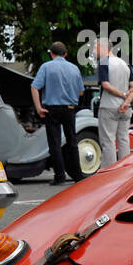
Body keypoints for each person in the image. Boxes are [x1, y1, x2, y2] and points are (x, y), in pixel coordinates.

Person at [31, 42, 86, 184]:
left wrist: (38, 107)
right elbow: (80, 91)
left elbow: (34, 87)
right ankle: (77, 175)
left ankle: (60, 176)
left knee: (54, 143)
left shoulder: (46, 67)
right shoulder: (74, 68)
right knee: (72, 141)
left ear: (51, 53)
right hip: (70, 109)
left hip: (52, 109)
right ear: (65, 53)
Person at [94, 38, 133, 168]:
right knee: (124, 139)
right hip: (125, 108)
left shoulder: (103, 63)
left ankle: (109, 171)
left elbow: (105, 85)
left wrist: (122, 95)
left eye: (95, 47)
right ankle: (125, 169)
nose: (93, 51)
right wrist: (127, 101)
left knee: (108, 141)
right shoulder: (124, 64)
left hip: (108, 106)